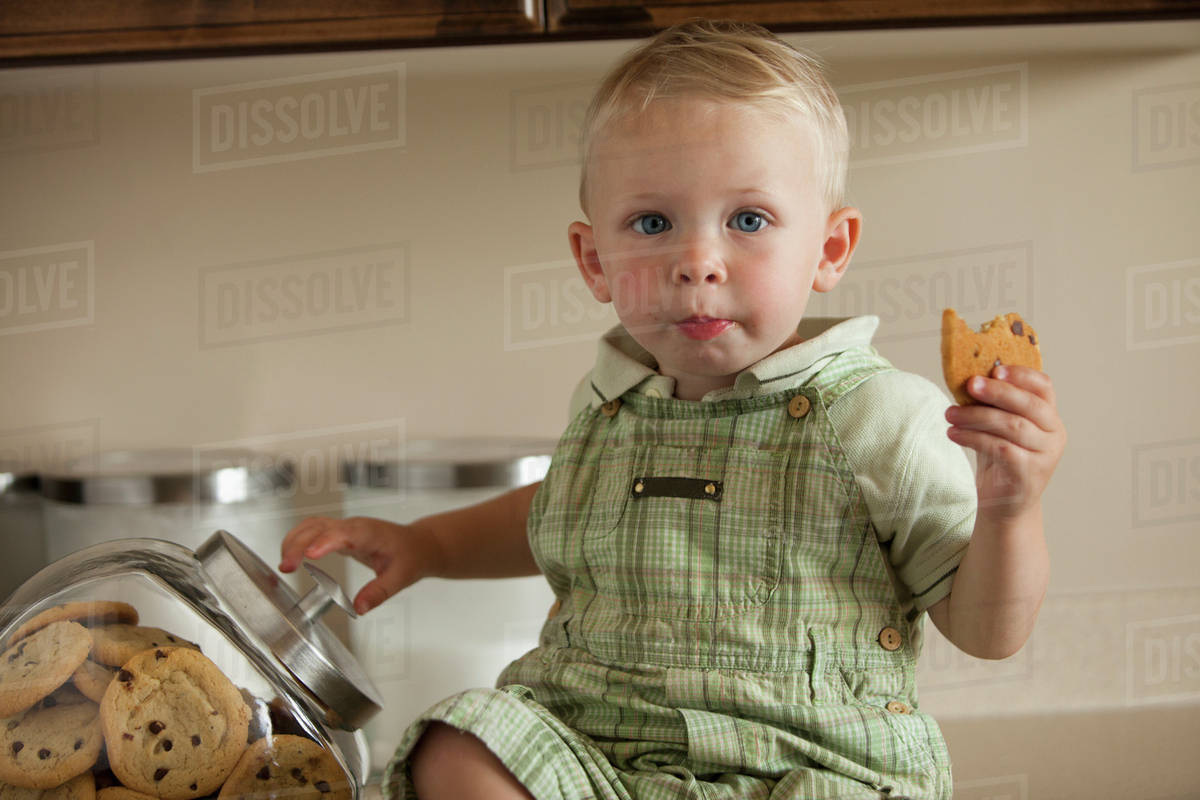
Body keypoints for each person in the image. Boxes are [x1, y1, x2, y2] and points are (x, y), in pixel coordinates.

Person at [279, 19, 1066, 800]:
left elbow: (991, 633)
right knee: (454, 744)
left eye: (748, 220)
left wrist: (1010, 510)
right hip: (597, 752)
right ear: (595, 260)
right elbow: (562, 511)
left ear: (829, 249)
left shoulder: (878, 418)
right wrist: (426, 544)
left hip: (807, 767)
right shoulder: (610, 405)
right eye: (652, 224)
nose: (697, 263)